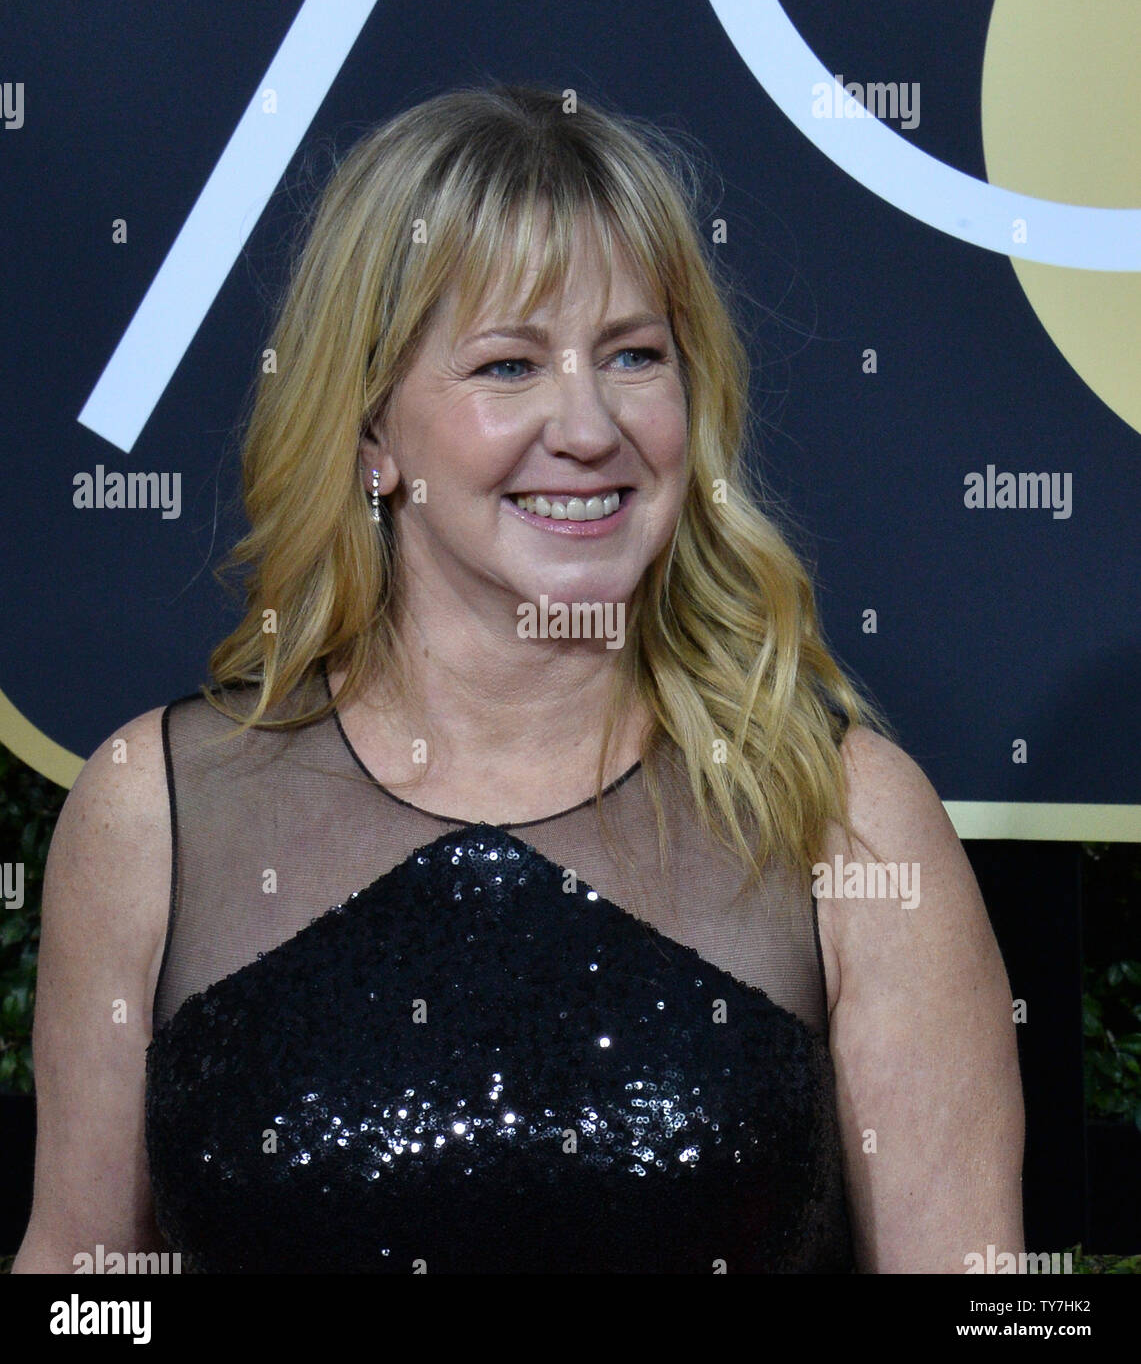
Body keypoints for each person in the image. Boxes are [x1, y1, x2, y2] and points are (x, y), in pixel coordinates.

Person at [13, 83, 1023, 1274]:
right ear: (372, 432)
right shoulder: (155, 810)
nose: (588, 426)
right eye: (507, 367)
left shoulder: (846, 820)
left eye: (635, 356)